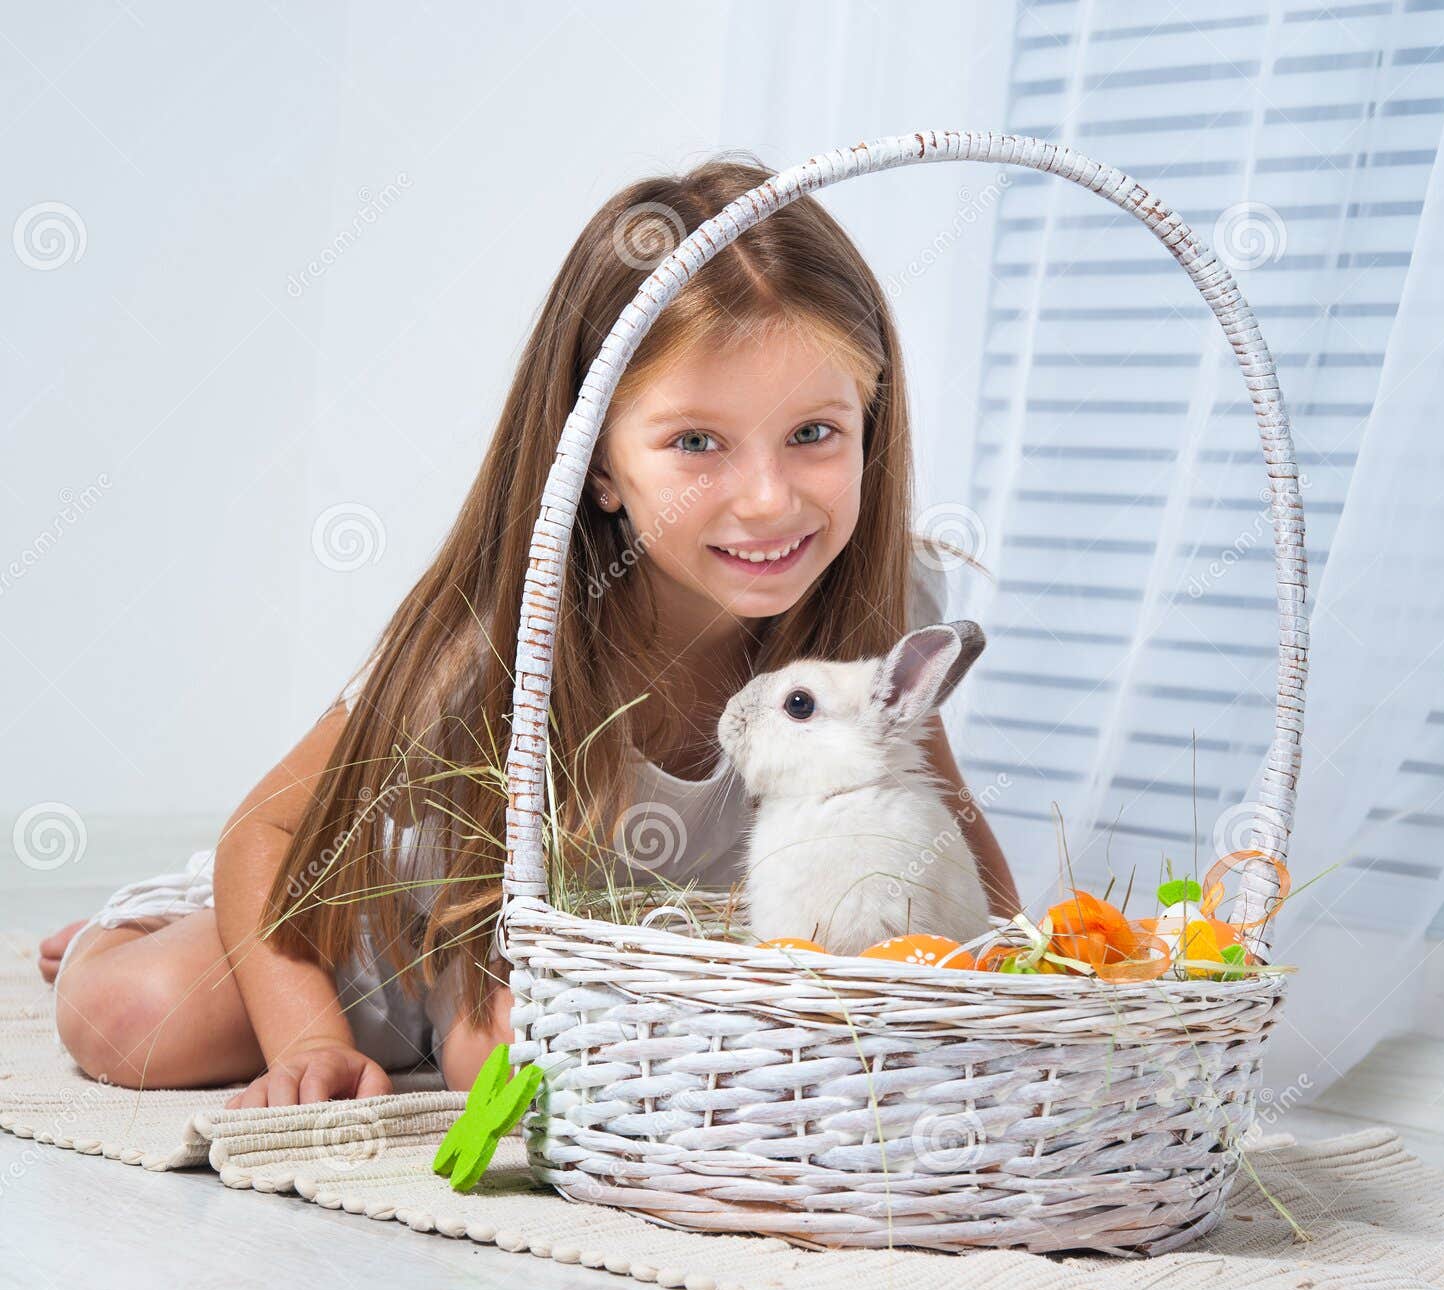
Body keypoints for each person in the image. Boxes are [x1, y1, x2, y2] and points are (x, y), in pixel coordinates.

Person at [39, 153, 1021, 1107]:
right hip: (395, 923)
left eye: (813, 433)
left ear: (869, 420)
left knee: (539, 1074)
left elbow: (943, 827)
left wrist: (1021, 974)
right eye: (693, 442)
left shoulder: (881, 609)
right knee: (138, 1019)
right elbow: (269, 829)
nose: (767, 501)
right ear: (598, 466)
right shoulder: (489, 638)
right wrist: (307, 1043)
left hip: (587, 959)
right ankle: (139, 929)